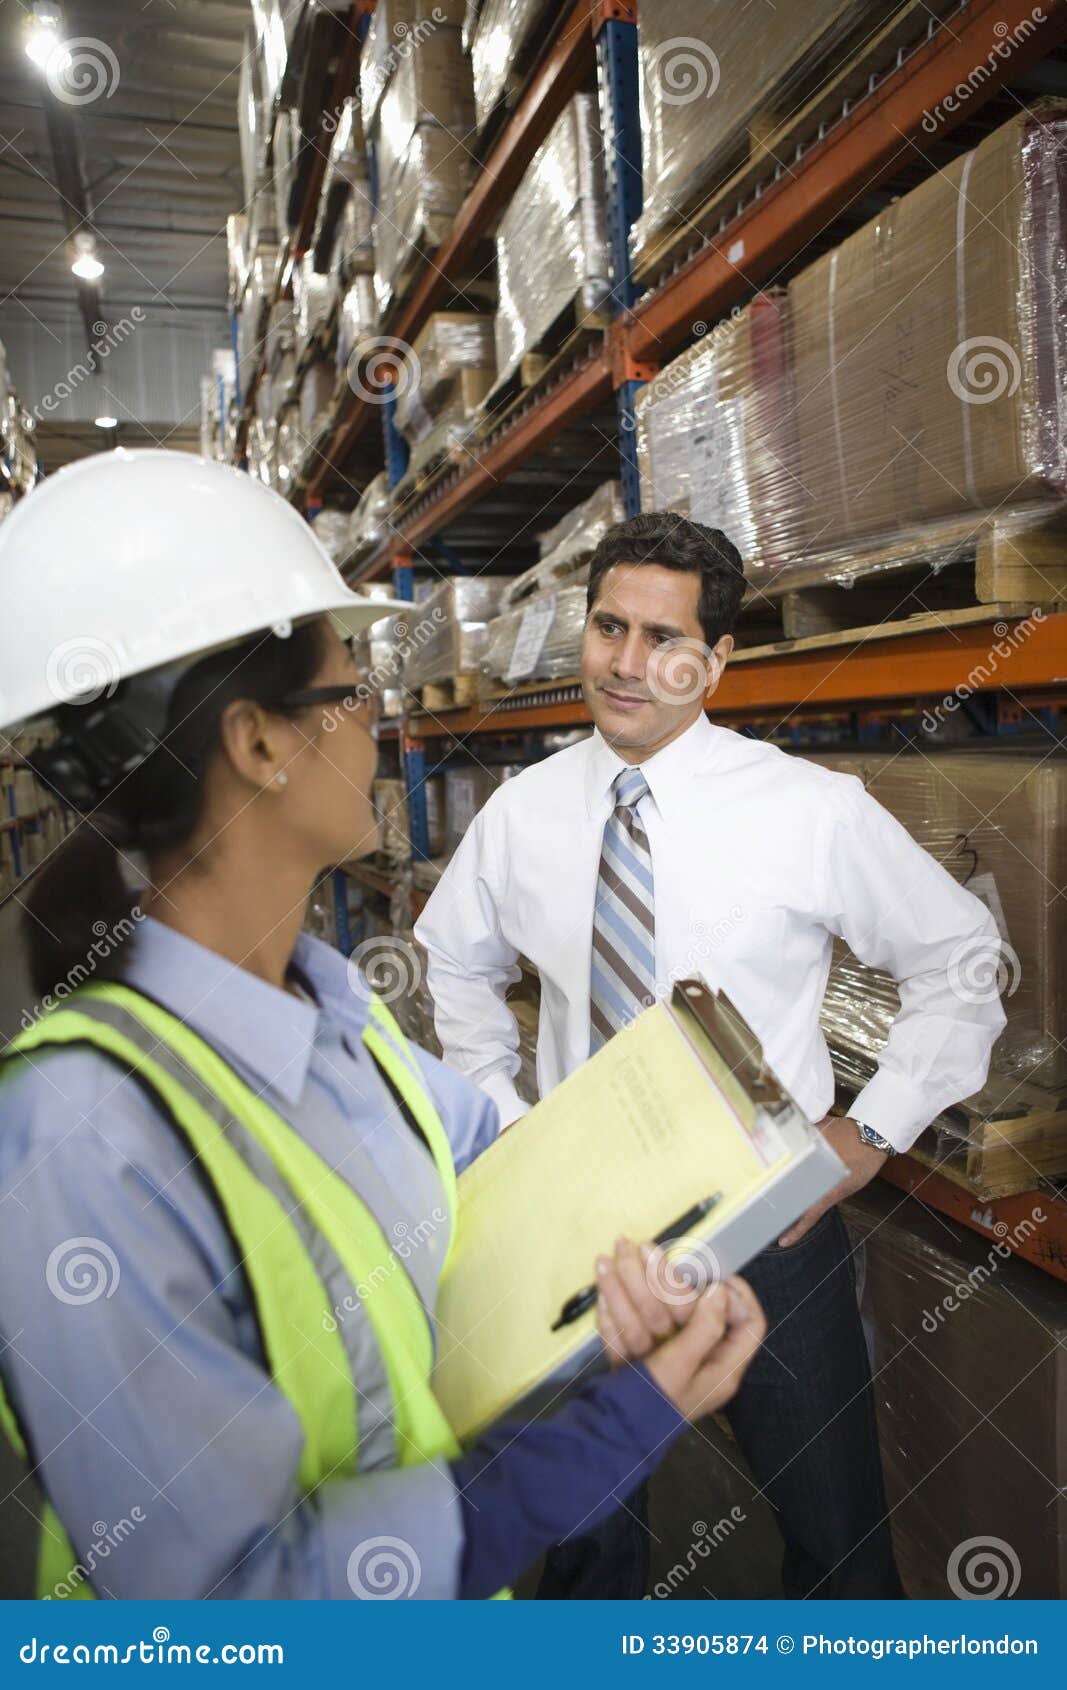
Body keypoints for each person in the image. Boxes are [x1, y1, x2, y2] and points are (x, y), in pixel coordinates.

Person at [0, 456, 767, 1602]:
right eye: (351, 679)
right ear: (259, 742)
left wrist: (642, 1275)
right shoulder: (79, 1135)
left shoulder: (341, 1029)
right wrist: (609, 1431)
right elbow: (235, 1605)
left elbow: (501, 1210)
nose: (378, 713)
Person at [416, 510, 1008, 1600]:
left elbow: (962, 955)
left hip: (767, 1223)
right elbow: (449, 960)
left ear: (717, 657)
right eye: (607, 628)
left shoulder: (804, 811)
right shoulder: (522, 813)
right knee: (583, 1539)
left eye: (663, 638)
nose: (627, 664)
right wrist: (505, 1114)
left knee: (833, 1533)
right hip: (575, 1222)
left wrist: (871, 1131)